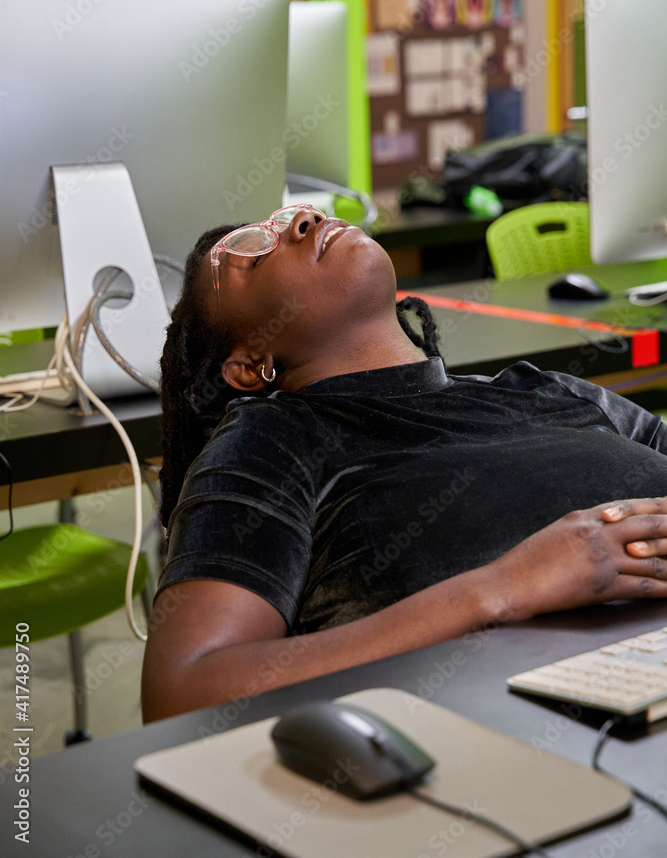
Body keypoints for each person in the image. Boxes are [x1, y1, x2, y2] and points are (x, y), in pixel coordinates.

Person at [141, 207, 667, 722]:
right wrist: (504, 588)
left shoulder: (550, 391)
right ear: (250, 364)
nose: (303, 222)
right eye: (254, 257)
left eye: (291, 216)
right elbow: (183, 692)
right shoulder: (273, 442)